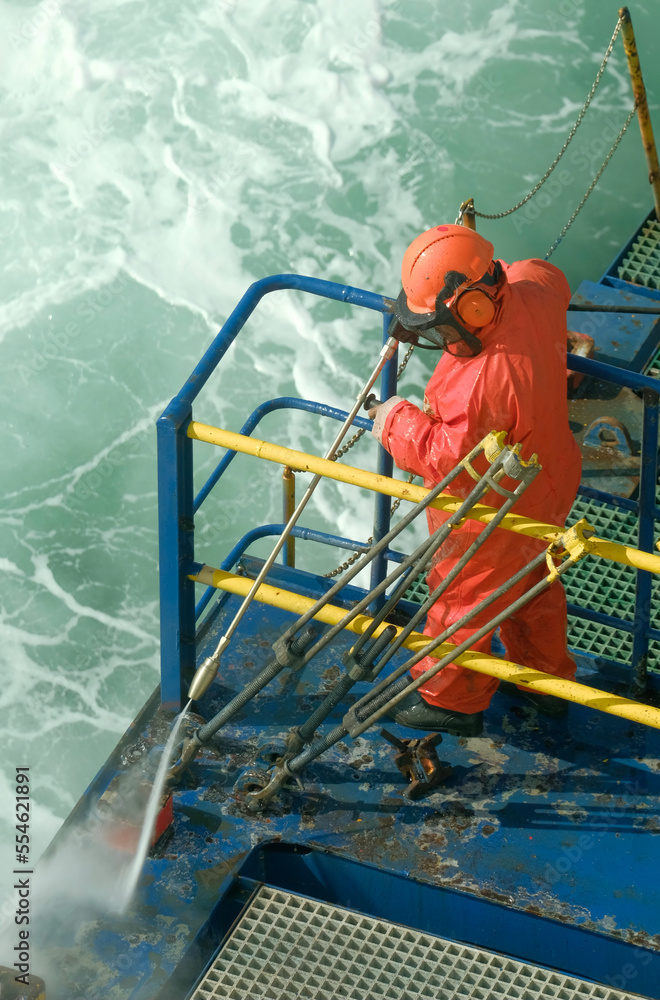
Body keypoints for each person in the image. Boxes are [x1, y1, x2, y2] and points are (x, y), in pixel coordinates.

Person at [370, 223, 582, 737]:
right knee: (532, 584)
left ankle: (451, 701)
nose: (443, 339)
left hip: (493, 505)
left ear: (476, 311)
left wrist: (394, 420)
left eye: (443, 327)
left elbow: (445, 454)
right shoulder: (533, 293)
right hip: (550, 483)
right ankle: (546, 685)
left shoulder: (483, 380)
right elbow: (546, 275)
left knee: (462, 591)